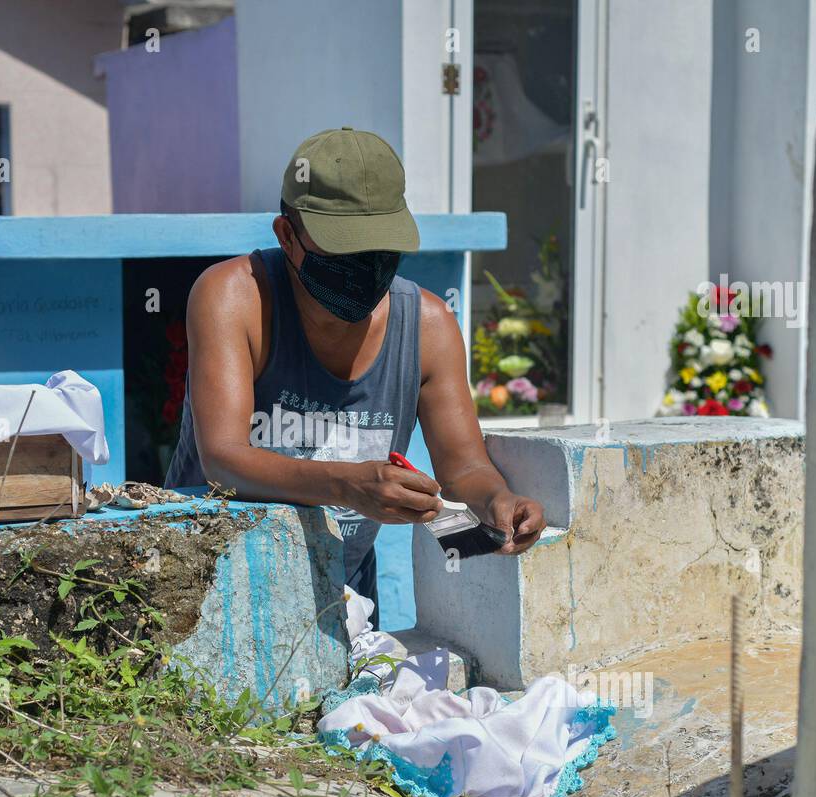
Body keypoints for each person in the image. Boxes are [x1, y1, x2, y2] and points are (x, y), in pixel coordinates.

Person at [165, 127, 544, 625]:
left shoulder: (428, 327)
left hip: (343, 608)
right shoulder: (234, 299)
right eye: (343, 253)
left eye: (380, 251)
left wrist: (500, 501)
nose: (365, 270)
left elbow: (464, 469)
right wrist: (346, 486)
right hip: (207, 592)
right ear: (286, 235)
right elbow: (223, 461)